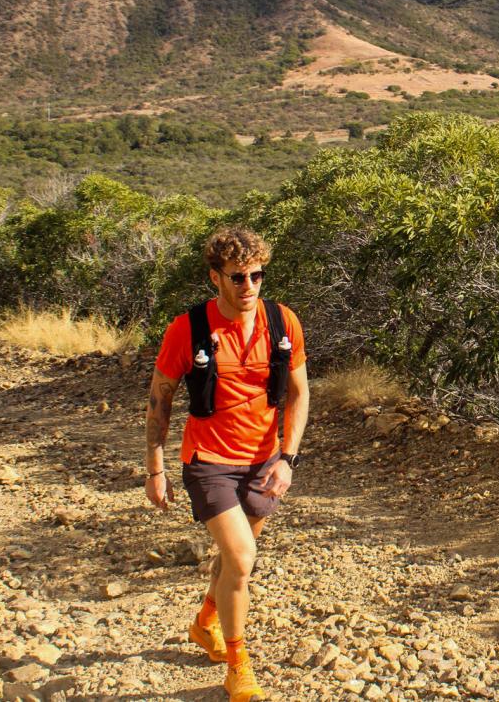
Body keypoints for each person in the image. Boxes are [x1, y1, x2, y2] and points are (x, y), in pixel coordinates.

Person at [144, 226, 309, 702]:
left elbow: (299, 393)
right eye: (238, 277)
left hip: (263, 462)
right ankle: (238, 666)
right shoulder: (188, 328)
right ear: (215, 277)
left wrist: (288, 457)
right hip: (208, 460)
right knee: (240, 558)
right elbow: (159, 399)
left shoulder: (283, 322)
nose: (249, 286)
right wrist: (155, 469)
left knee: (234, 559)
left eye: (257, 275)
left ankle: (205, 623)